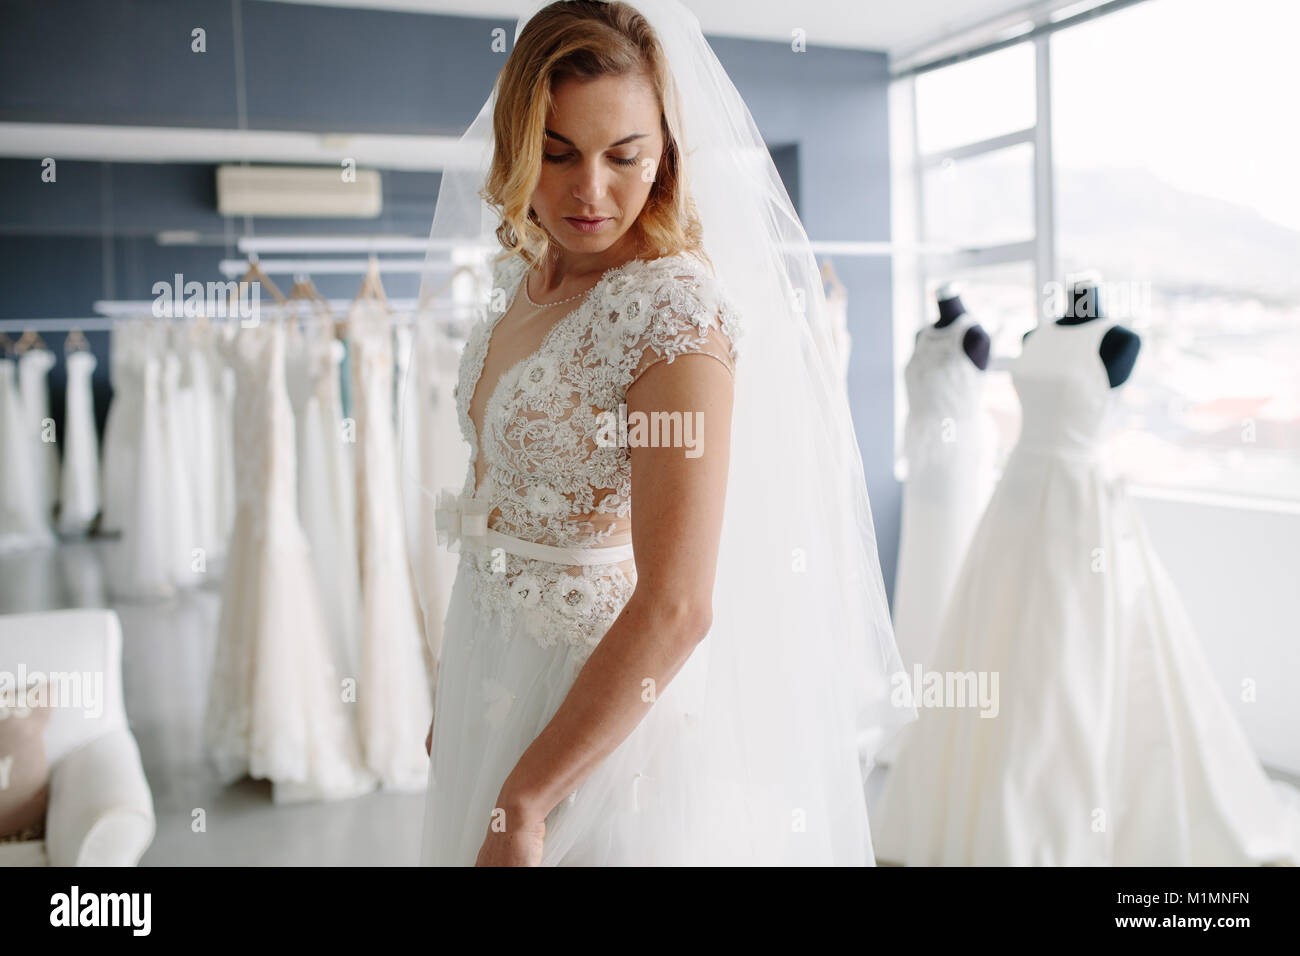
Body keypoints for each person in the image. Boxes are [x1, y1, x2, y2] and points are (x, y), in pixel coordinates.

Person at [411, 0, 912, 866]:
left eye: (624, 156)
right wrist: (461, 691)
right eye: (557, 153)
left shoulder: (672, 314)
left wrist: (529, 795)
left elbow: (678, 605)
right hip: (492, 687)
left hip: (599, 731)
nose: (588, 191)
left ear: (667, 153)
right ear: (516, 144)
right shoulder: (519, 280)